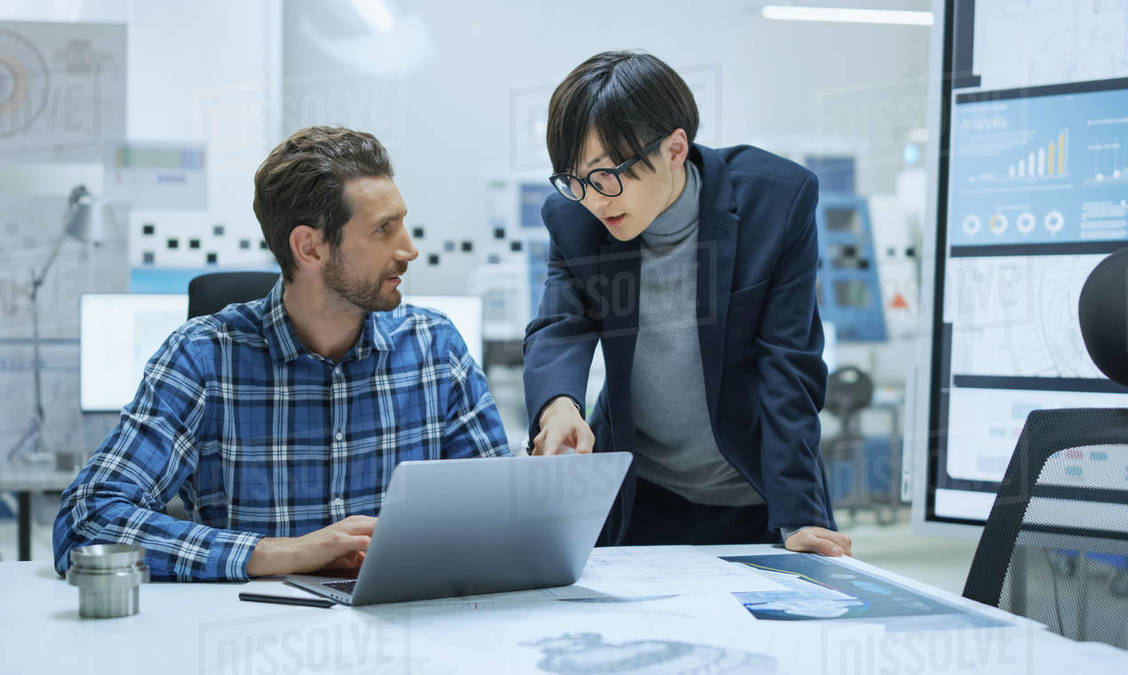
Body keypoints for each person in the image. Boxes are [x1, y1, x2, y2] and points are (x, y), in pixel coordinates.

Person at [53, 126, 510, 580]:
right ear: (309, 247)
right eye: (383, 230)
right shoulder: (202, 359)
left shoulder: (435, 348)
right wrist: (287, 554)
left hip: (407, 632)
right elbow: (85, 521)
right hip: (246, 637)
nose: (409, 249)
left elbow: (504, 514)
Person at [523, 51, 849, 556]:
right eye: (575, 179)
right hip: (642, 493)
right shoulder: (574, 215)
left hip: (757, 492)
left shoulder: (776, 200)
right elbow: (559, 324)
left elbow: (788, 364)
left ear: (675, 148)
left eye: (608, 175)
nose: (594, 199)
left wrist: (800, 516)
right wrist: (559, 409)